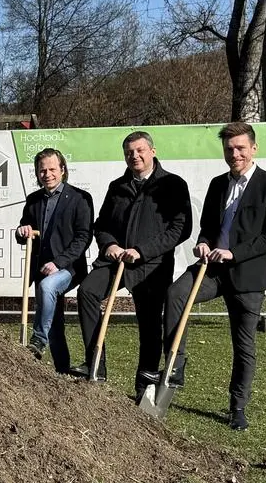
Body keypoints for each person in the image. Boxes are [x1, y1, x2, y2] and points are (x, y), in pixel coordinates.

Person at [163, 122, 266, 431]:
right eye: (229, 149)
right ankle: (176, 364)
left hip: (247, 275)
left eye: (241, 148)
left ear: (253, 148)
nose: (235, 154)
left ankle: (238, 406)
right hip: (212, 271)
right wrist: (204, 242)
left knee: (243, 345)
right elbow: (207, 225)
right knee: (176, 294)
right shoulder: (218, 184)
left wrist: (236, 253)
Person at [75, 131, 191, 386]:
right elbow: (101, 225)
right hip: (115, 262)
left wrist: (142, 250)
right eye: (129, 152)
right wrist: (110, 245)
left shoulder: (173, 185)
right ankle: (96, 365)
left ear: (152, 150)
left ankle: (144, 384)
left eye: (139, 150)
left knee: (149, 325)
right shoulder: (117, 187)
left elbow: (181, 228)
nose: (134, 156)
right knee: (87, 292)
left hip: (151, 265)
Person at [15, 148, 94, 372]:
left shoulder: (80, 198)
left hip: (68, 268)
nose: (47, 174)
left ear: (62, 170)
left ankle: (38, 338)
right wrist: (22, 231)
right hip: (41, 267)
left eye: (52, 169)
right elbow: (23, 231)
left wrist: (59, 262)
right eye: (42, 170)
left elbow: (83, 238)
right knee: (55, 322)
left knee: (48, 286)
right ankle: (62, 370)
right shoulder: (33, 200)